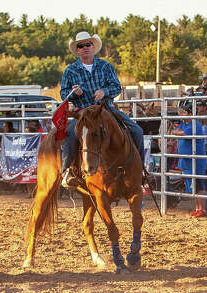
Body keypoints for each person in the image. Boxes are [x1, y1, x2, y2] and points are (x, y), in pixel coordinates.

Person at [58, 30, 147, 189]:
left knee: (137, 130)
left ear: (93, 47)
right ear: (77, 50)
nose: (85, 47)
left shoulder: (105, 66)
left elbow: (116, 87)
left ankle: (139, 170)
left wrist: (104, 92)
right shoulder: (70, 70)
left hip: (106, 109)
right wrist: (73, 92)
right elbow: (64, 94)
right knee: (71, 134)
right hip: (83, 112)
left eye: (88, 44)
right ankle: (67, 171)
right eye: (81, 45)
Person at [171, 100, 207, 217]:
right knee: (192, 185)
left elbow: (181, 133)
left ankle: (202, 209)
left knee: (198, 184)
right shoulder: (185, 124)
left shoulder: (194, 124)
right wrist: (177, 132)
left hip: (196, 159)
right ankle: (198, 208)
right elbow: (177, 131)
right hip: (187, 159)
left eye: (183, 112)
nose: (180, 115)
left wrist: (176, 132)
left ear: (189, 113)